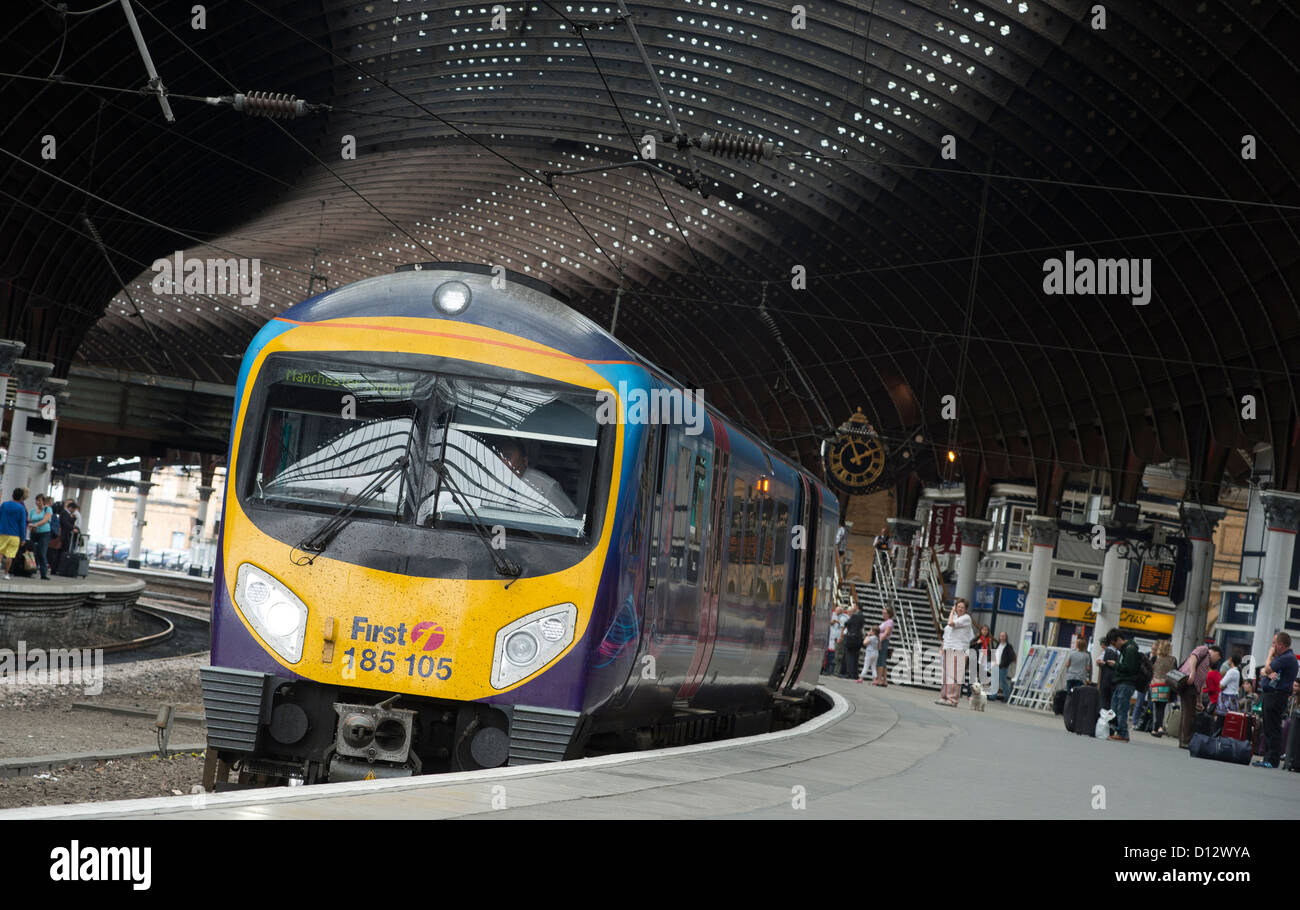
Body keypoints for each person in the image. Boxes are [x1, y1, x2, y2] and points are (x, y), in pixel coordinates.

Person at [495, 438, 577, 517]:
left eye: (513, 469)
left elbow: (570, 517)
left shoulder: (545, 485)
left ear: (525, 462)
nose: (509, 475)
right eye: (504, 469)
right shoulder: (492, 480)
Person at [1254, 632, 1299, 769]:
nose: (1273, 646)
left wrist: (1269, 655)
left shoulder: (1286, 658)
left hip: (1276, 695)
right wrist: (1267, 671)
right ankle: (1268, 757)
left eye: (1274, 643)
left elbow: (1267, 668)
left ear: (1280, 645)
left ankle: (1272, 759)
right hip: (1272, 695)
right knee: (1268, 727)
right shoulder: (1284, 658)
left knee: (1273, 728)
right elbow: (1264, 671)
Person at [1176, 642, 1218, 750]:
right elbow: (1194, 656)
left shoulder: (1206, 663)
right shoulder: (1204, 649)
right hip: (1189, 683)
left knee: (1187, 712)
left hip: (1193, 687)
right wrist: (1192, 673)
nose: (1216, 661)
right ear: (1216, 653)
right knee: (1189, 714)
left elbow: (1201, 684)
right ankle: (1185, 740)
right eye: (1217, 658)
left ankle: (1183, 740)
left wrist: (1199, 701)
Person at [1103, 628, 1140, 742]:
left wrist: (1116, 665)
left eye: (1114, 644)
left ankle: (1123, 733)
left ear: (1119, 639)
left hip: (1126, 683)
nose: (1115, 647)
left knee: (1121, 709)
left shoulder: (1130, 650)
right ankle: (1118, 731)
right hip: (1122, 683)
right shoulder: (1126, 649)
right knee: (1116, 708)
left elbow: (1130, 668)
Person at [938, 598, 973, 707]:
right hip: (948, 648)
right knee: (946, 675)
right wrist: (942, 647)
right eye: (958, 607)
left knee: (954, 675)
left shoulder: (966, 618)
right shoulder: (956, 617)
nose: (960, 609)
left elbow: (951, 623)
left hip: (959, 649)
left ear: (966, 609)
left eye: (962, 607)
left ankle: (952, 699)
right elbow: (946, 635)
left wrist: (952, 612)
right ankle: (944, 697)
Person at [1148, 639, 1177, 737]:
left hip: (1155, 684)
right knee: (1162, 707)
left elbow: (1149, 670)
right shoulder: (1173, 659)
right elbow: (1174, 673)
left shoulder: (1155, 658)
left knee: (1157, 707)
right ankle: (1156, 729)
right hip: (1167, 685)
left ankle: (1158, 727)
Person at [0, 488, 28, 578]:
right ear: (21, 498)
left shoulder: (4, 505)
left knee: (0, 552)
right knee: (10, 555)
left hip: (2, 532)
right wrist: (23, 538)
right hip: (15, 535)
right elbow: (22, 524)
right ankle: (6, 574)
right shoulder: (21, 508)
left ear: (12, 495)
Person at [26, 492, 52, 581]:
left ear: (43, 501)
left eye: (40, 501)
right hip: (34, 532)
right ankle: (31, 570)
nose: (38, 502)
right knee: (32, 552)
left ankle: (43, 573)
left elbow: (45, 519)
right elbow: (29, 520)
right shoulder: (33, 511)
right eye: (37, 500)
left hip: (44, 533)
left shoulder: (47, 509)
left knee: (42, 552)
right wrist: (30, 525)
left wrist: (36, 524)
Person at [966, 623, 992, 697]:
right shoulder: (977, 638)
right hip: (975, 659)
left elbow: (990, 651)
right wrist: (977, 643)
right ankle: (969, 694)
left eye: (986, 630)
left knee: (981, 679)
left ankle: (978, 694)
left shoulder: (989, 640)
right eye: (983, 630)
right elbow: (970, 645)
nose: (985, 631)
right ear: (981, 631)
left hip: (983, 660)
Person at [840, 606, 865, 679]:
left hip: (851, 639)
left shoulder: (855, 616)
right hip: (858, 639)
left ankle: (849, 673)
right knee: (856, 657)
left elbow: (846, 623)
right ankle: (855, 673)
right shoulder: (862, 617)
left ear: (857, 607)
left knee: (849, 656)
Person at [1097, 630, 1119, 712]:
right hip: (1115, 681)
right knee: (1112, 702)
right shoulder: (1119, 653)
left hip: (1105, 680)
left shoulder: (1107, 651)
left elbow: (1098, 661)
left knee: (1104, 701)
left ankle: (1103, 719)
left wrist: (1104, 663)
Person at [873, 606, 895, 686]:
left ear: (889, 614)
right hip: (882, 641)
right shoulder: (885, 622)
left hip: (883, 641)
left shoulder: (889, 622)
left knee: (880, 661)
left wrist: (879, 641)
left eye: (885, 613)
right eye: (883, 613)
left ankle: (879, 679)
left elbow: (886, 633)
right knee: (883, 661)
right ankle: (884, 680)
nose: (883, 614)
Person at [995, 631, 1016, 702]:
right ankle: (992, 696)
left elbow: (1010, 657)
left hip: (1003, 667)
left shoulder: (1008, 646)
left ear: (1006, 637)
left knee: (1003, 682)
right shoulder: (998, 645)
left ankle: (1007, 697)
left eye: (1003, 636)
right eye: (1001, 636)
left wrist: (1004, 664)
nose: (1002, 637)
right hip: (996, 665)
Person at [824, 606, 843, 673]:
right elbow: (830, 622)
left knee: (836, 655)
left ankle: (832, 670)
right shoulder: (832, 615)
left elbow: (843, 625)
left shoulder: (843, 617)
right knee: (829, 653)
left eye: (838, 611)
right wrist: (834, 621)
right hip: (831, 636)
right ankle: (827, 669)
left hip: (837, 637)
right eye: (836, 611)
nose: (836, 612)